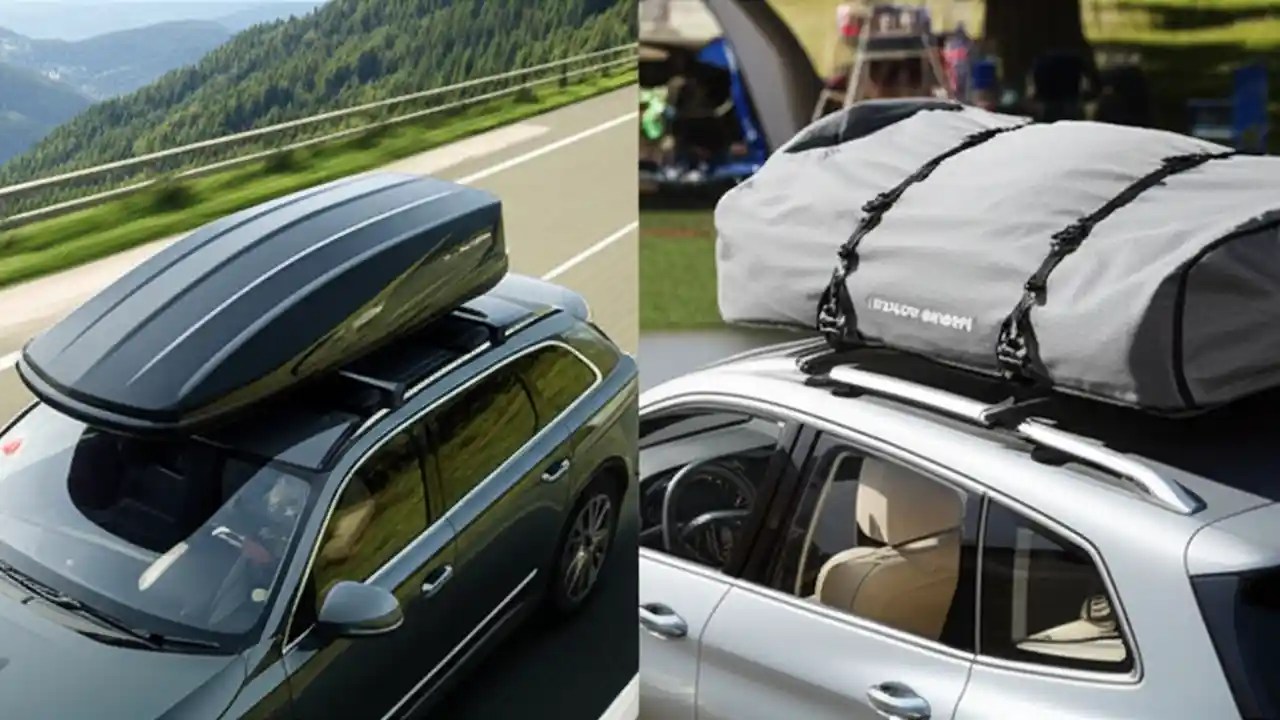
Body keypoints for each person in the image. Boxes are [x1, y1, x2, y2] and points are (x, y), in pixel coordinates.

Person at [1028, 47, 1102, 122]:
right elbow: (1090, 75)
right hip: (1071, 98)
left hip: (1049, 100)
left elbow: (1036, 76)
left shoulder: (1041, 58)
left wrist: (1038, 95)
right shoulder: (1075, 58)